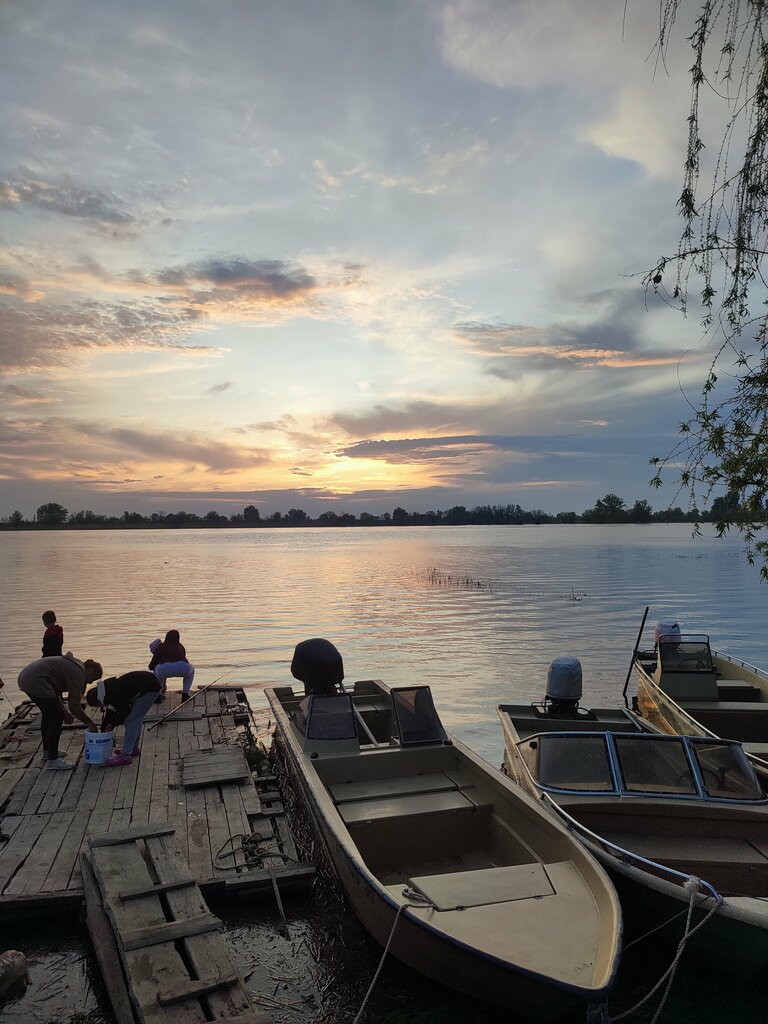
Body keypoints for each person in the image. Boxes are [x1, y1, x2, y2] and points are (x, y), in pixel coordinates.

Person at [17, 653, 103, 770]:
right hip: (35, 680)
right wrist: (90, 723)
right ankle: (53, 760)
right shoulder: (78, 673)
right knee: (56, 717)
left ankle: (48, 752)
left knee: (49, 715)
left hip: (28, 677)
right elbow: (74, 706)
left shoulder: (74, 667)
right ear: (90, 671)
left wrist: (65, 712)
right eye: (92, 679)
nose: (90, 683)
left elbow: (55, 692)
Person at [85, 670, 161, 767]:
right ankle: (133, 748)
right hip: (148, 685)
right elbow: (111, 710)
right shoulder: (107, 690)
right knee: (136, 718)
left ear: (98, 701)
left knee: (132, 720)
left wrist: (113, 723)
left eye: (98, 705)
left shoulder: (114, 694)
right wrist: (105, 726)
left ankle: (126, 755)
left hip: (150, 688)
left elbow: (125, 711)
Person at [148, 629, 195, 699]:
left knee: (156, 670)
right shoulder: (180, 646)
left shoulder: (161, 647)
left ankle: (158, 695)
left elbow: (151, 666)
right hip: (182, 668)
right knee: (191, 670)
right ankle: (185, 694)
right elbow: (184, 660)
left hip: (164, 669)